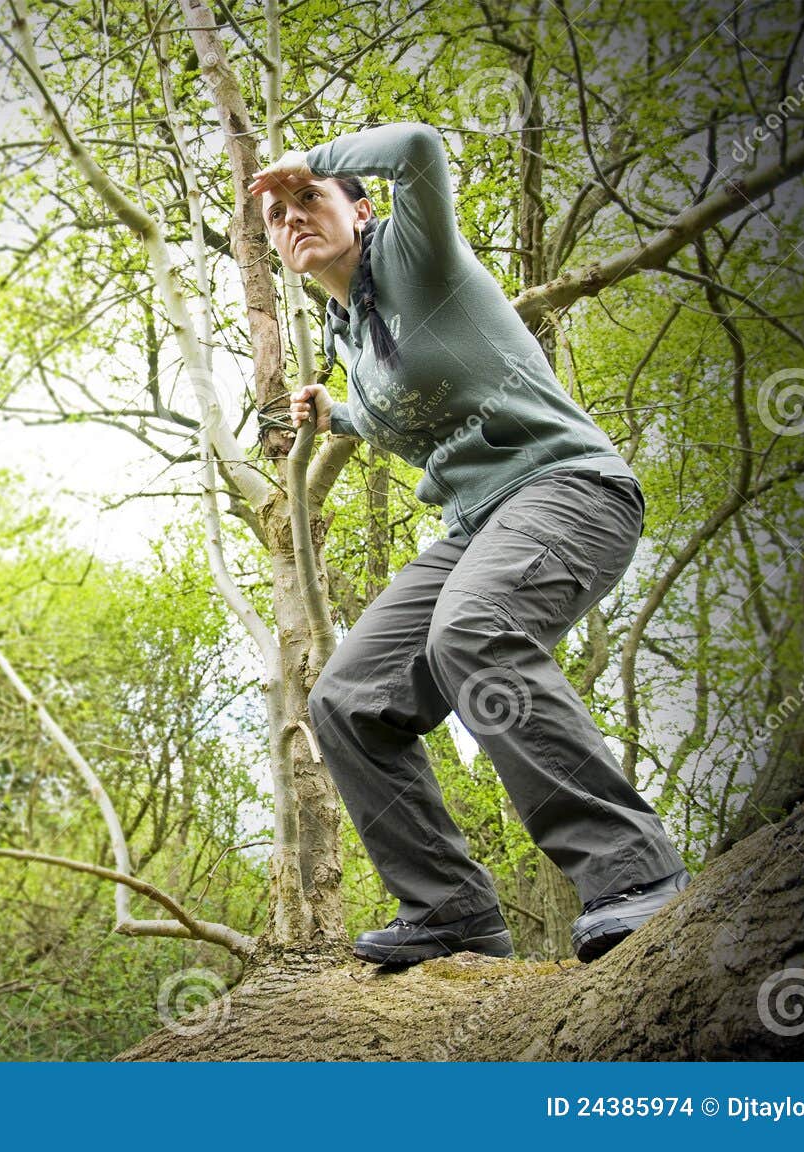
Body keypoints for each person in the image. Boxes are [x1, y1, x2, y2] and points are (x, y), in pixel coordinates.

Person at [248, 122, 689, 965]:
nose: (292, 217)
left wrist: (312, 160)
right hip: (478, 522)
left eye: (309, 200)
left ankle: (636, 874)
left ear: (360, 209)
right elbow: (409, 420)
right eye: (276, 216)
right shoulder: (352, 333)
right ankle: (449, 910)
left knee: (472, 632)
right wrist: (338, 412)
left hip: (568, 490)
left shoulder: (416, 257)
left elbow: (416, 145)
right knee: (346, 700)